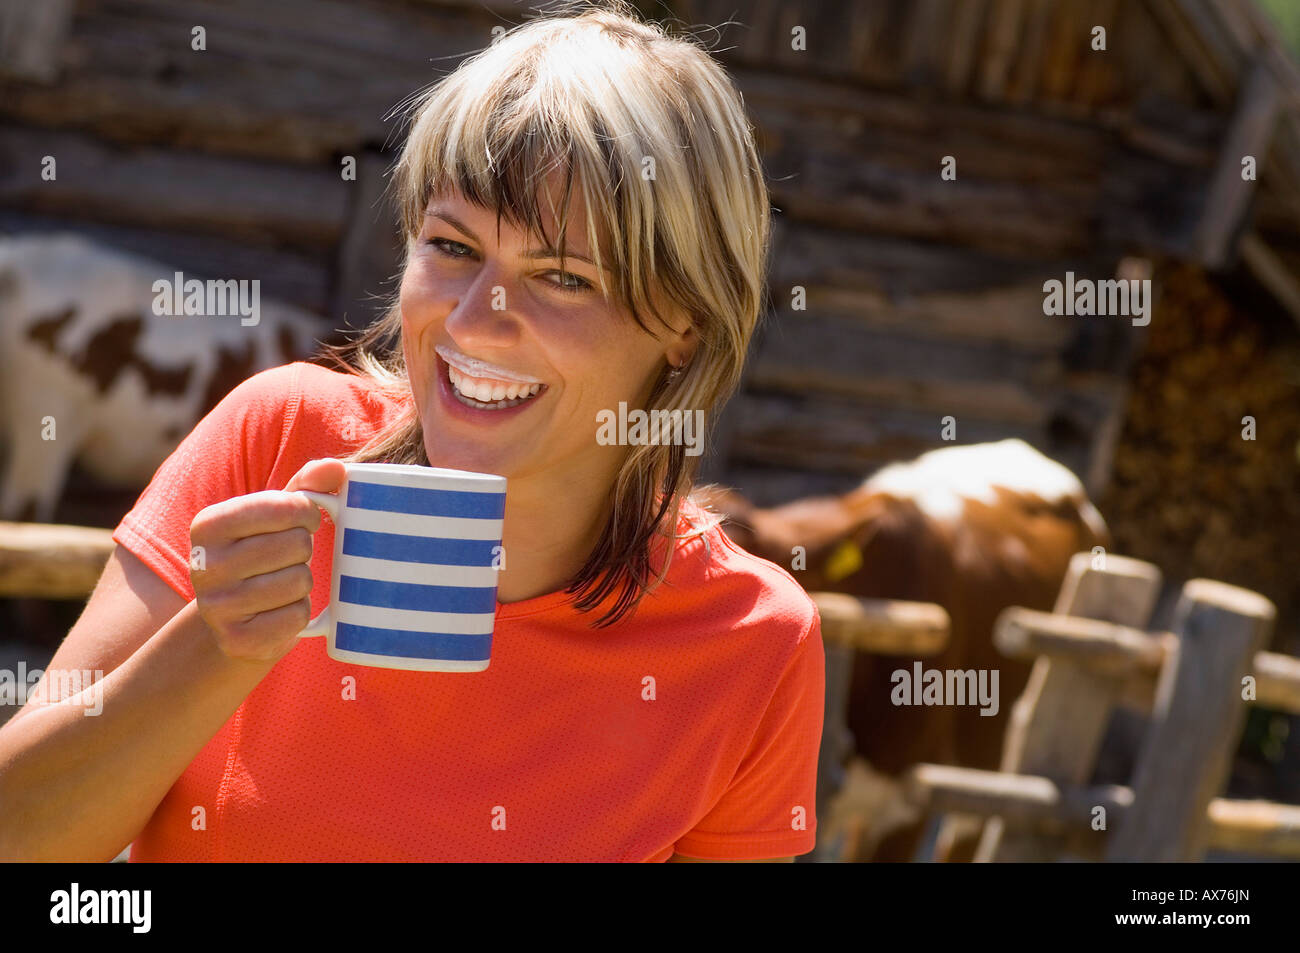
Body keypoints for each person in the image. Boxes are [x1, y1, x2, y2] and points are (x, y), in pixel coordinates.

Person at [0, 1, 824, 862]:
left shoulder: (757, 642)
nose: (474, 322)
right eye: (455, 247)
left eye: (563, 277)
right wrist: (213, 650)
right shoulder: (279, 438)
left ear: (685, 324)